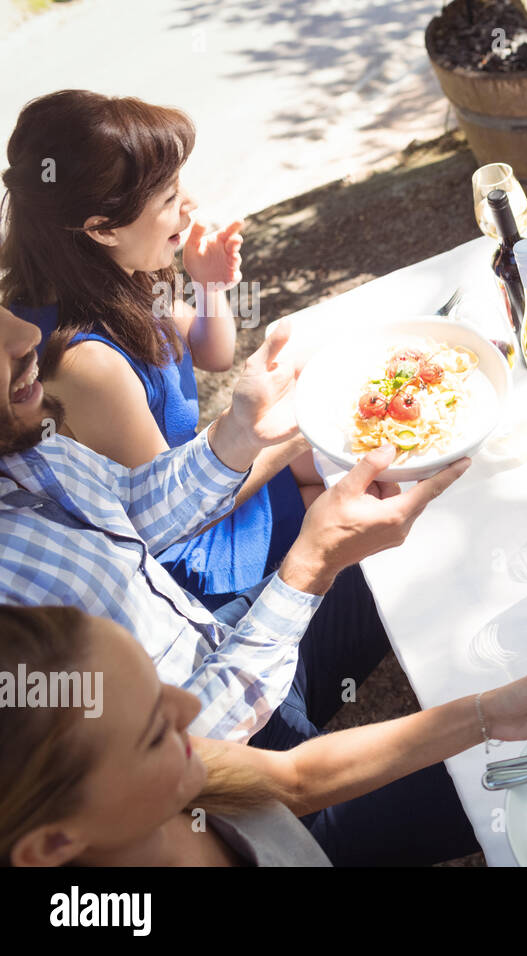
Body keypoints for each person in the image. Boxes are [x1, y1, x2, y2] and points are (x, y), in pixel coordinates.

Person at [0, 303, 481, 863]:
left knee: (409, 551)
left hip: (224, 649)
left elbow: (125, 510)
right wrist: (308, 568)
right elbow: (174, 750)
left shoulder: (16, 432)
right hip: (212, 795)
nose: (26, 333)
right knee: (510, 767)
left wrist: (236, 434)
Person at [0, 90, 320, 610]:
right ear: (102, 229)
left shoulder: (122, 273)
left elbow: (210, 353)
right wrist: (286, 431)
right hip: (190, 545)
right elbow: (174, 513)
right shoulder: (87, 364)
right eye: (169, 198)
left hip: (216, 479)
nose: (189, 204)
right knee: (339, 488)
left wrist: (210, 287)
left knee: (340, 454)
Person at [0, 605, 527, 866]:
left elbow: (296, 778)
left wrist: (489, 714)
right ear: (54, 842)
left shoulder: (177, 781)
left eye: (155, 683)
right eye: (150, 731)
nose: (189, 706)